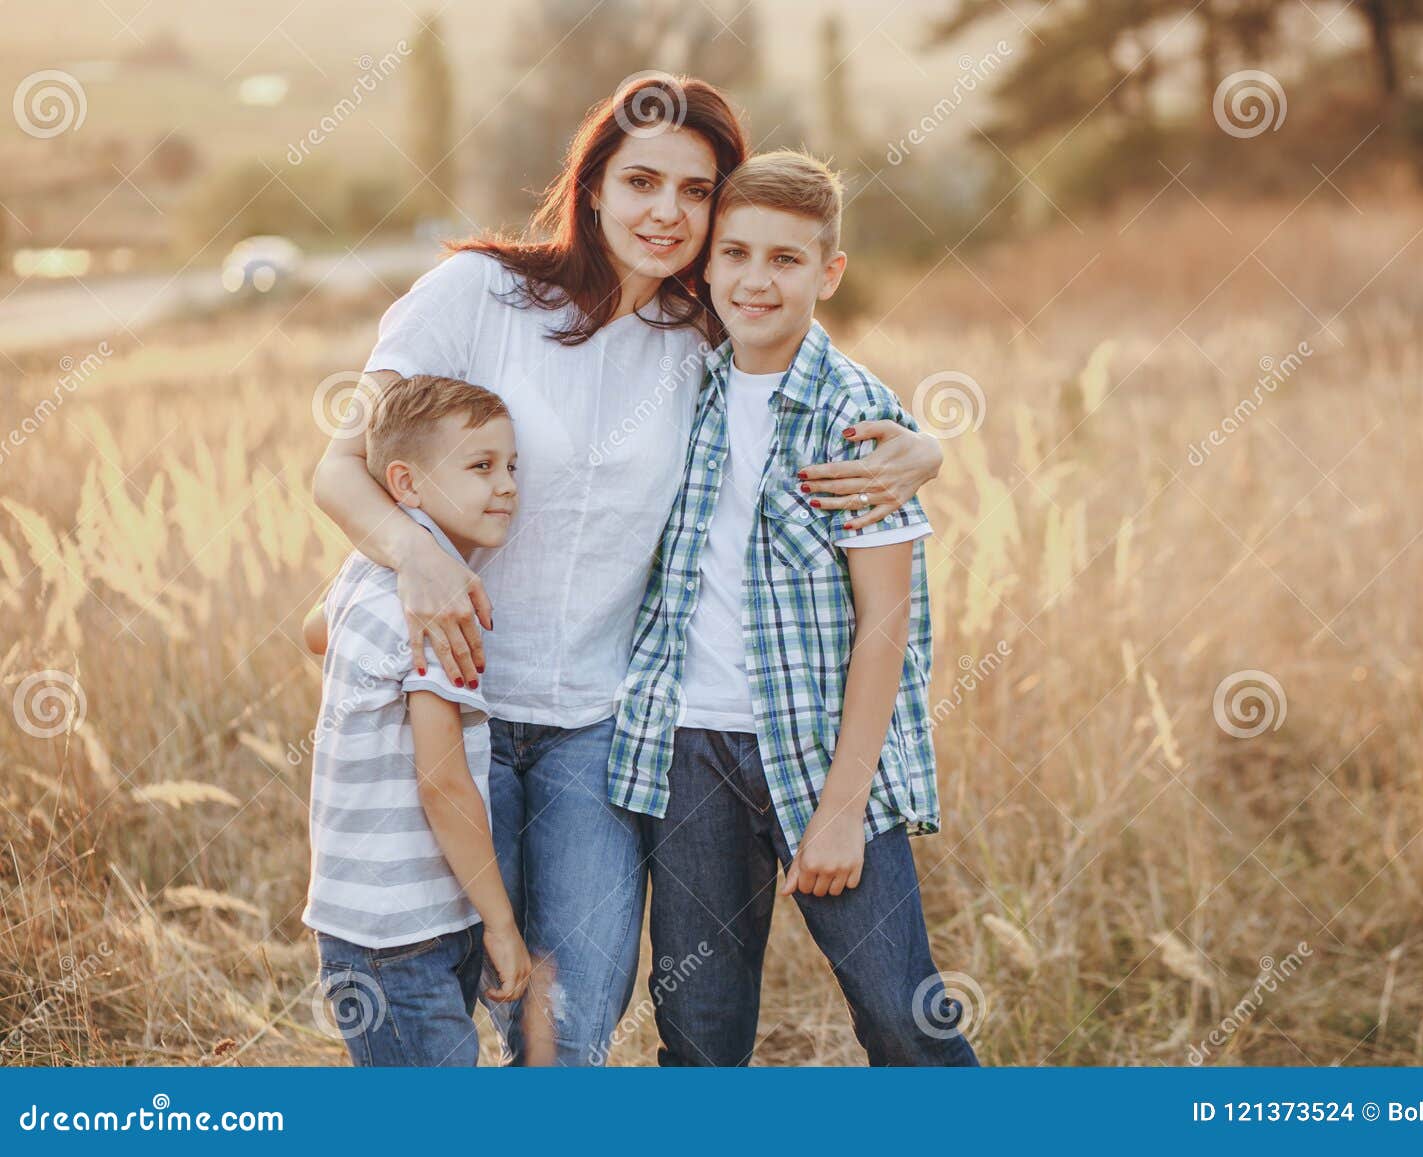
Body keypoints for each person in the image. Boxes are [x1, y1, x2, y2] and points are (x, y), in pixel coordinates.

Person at [310, 76, 946, 1065]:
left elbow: (810, 373)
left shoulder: (700, 339)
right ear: (592, 183)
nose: (666, 212)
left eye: (696, 192)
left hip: (595, 730)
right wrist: (415, 558)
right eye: (641, 180)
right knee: (422, 997)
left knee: (571, 1025)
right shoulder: (479, 293)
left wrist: (925, 444)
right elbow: (340, 464)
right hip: (451, 702)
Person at [610, 151, 979, 1066]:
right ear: (707, 265)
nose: (755, 279)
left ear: (829, 271)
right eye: (734, 253)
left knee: (901, 1013)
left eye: (785, 259)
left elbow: (887, 623)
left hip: (821, 756)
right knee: (698, 1029)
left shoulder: (856, 415)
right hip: (687, 750)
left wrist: (843, 806)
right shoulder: (681, 388)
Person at [303, 374, 532, 1066]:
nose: (508, 485)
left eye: (512, 465)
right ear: (405, 483)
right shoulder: (437, 608)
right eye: (481, 466)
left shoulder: (370, 570)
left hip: (388, 919)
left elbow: (315, 630)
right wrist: (501, 922)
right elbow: (442, 782)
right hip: (398, 936)